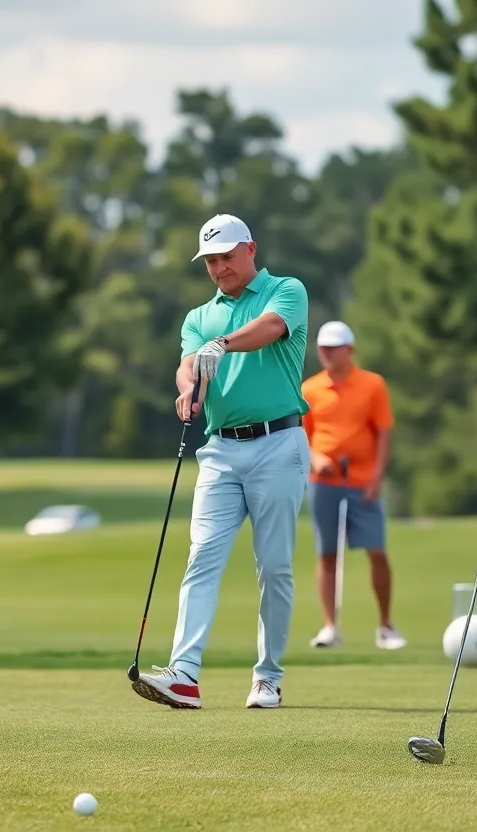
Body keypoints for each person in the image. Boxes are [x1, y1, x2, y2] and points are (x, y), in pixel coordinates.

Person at [131, 213, 310, 710]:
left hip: (279, 444)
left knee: (273, 567)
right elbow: (188, 365)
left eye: (226, 257)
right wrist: (188, 390)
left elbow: (272, 328)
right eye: (210, 260)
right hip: (220, 451)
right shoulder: (198, 316)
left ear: (250, 249)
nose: (218, 267)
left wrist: (223, 344)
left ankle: (267, 676)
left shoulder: (286, 291)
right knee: (201, 556)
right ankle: (184, 674)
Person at [301, 320, 405, 651]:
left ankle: (386, 626)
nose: (329, 354)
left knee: (377, 551)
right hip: (323, 482)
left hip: (363, 483)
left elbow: (384, 433)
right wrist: (316, 459)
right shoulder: (309, 389)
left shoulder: (373, 384)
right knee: (327, 553)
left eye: (336, 347)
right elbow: (302, 438)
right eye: (324, 348)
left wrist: (376, 478)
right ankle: (330, 626)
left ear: (350, 349)